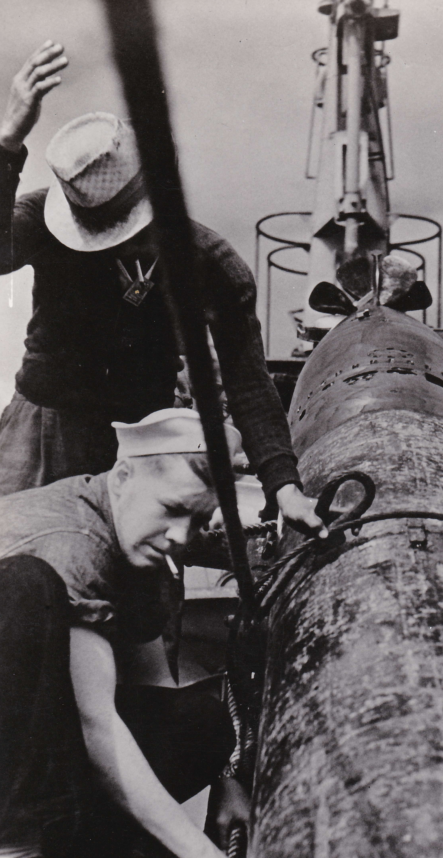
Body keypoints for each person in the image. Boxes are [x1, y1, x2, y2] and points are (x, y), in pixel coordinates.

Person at [0, 41, 321, 537]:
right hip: (40, 432)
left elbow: (248, 382)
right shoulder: (40, 219)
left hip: (141, 441)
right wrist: (7, 143)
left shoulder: (208, 262)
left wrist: (284, 484)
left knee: (136, 595)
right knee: (15, 572)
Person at [0, 408, 259, 858]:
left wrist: (223, 778)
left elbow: (155, 696)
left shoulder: (132, 539)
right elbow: (99, 727)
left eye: (197, 520)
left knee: (200, 722)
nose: (180, 535)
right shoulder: (72, 541)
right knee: (29, 586)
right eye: (172, 510)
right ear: (123, 477)